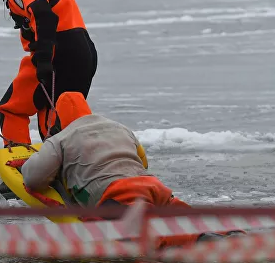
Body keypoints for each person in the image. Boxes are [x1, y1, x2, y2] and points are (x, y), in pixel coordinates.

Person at [21, 92, 243, 249]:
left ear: (59, 119)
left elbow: (33, 178)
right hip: (152, 186)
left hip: (120, 196)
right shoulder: (118, 127)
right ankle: (232, 235)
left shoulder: (61, 138)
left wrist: (36, 161)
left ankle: (206, 242)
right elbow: (142, 161)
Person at [0, 0, 98, 199]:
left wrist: (44, 59)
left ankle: (22, 167)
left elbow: (44, 17)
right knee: (57, 116)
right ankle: (78, 172)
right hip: (83, 51)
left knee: (11, 107)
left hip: (58, 52)